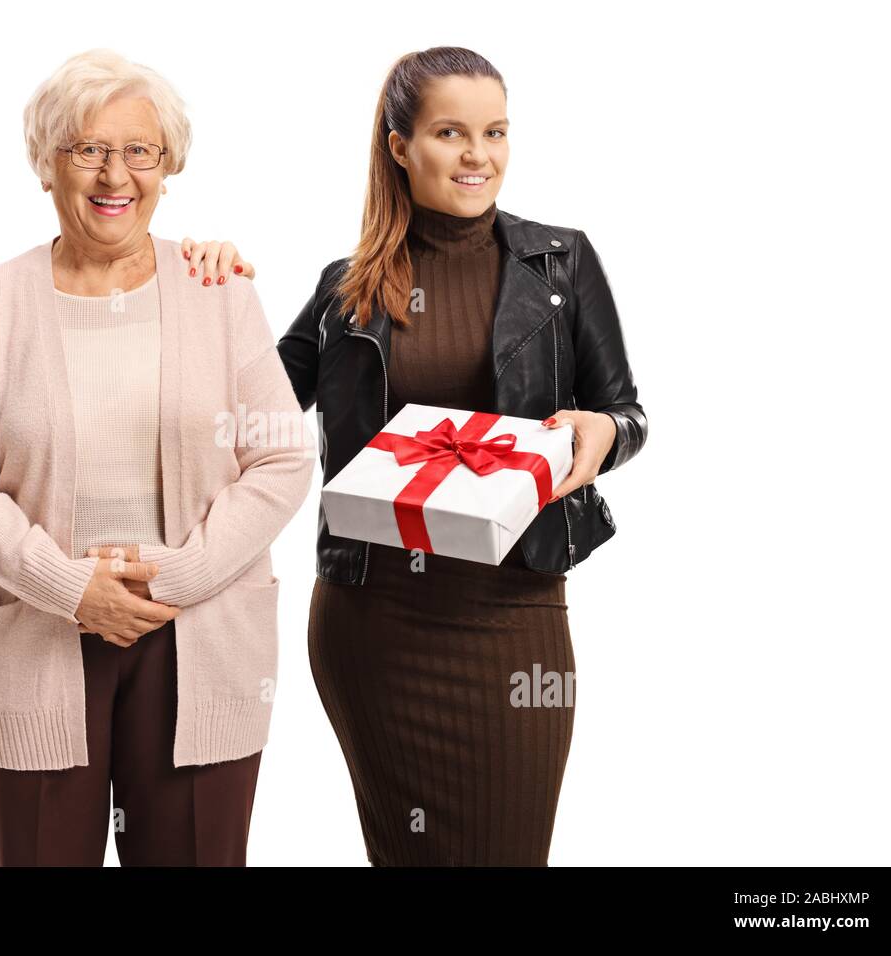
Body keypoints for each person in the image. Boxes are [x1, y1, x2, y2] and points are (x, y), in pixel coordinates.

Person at [0, 48, 313, 866]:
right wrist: (71, 588)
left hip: (201, 634)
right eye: (87, 148)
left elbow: (279, 458)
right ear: (45, 164)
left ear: (167, 167)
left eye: (141, 151)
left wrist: (175, 576)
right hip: (38, 632)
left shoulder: (220, 290)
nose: (115, 174)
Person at [276, 46, 648, 865]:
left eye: (496, 132)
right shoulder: (346, 289)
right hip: (373, 625)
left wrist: (603, 435)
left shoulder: (562, 263)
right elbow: (251, 404)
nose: (479, 155)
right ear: (400, 145)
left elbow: (628, 413)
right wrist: (211, 283)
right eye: (451, 132)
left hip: (513, 614)